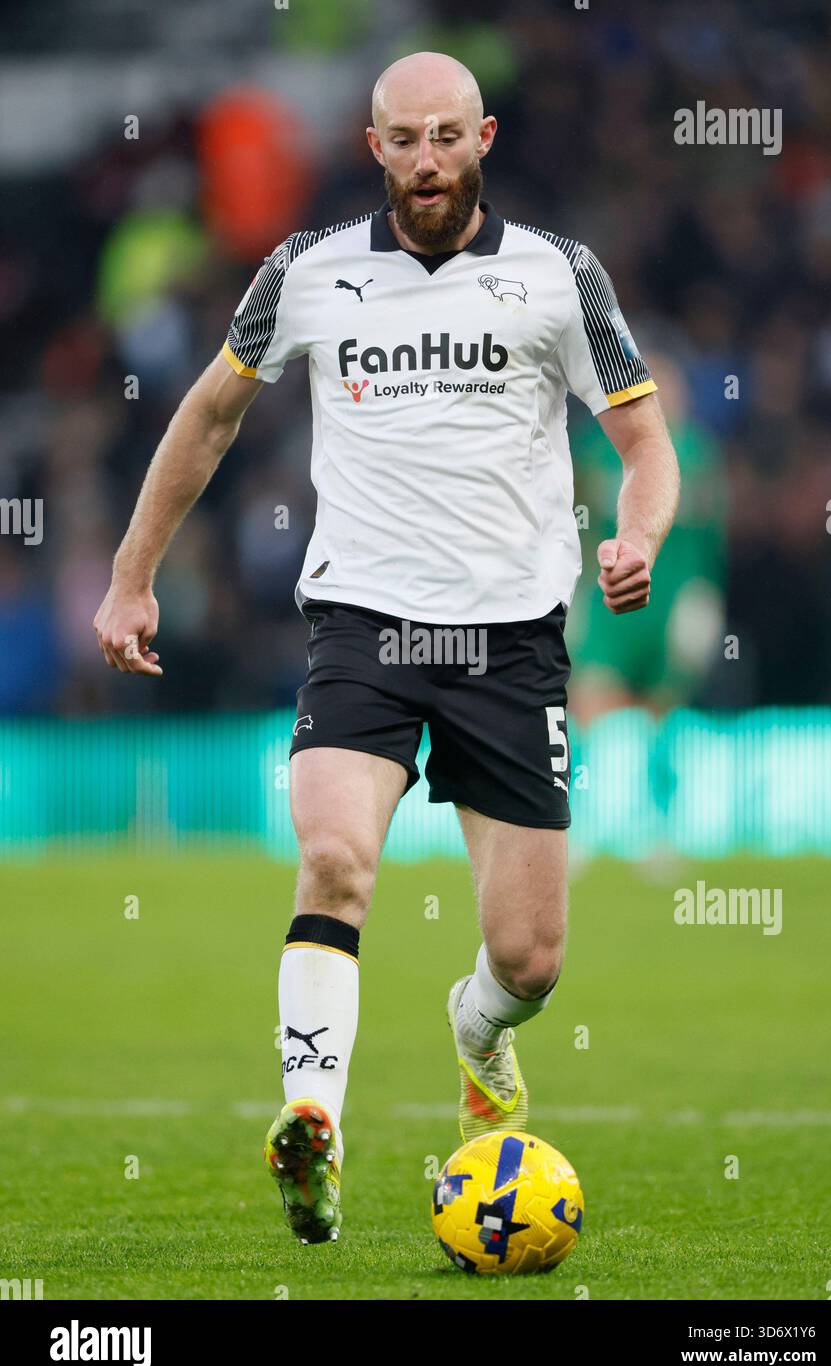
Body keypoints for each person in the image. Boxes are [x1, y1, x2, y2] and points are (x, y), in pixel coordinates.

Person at [93, 51, 680, 1246]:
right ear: (373, 148)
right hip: (361, 625)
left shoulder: (557, 274)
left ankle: (477, 1030)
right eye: (403, 139)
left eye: (446, 136)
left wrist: (639, 533)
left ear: (484, 138)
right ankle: (313, 1120)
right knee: (332, 858)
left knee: (530, 960)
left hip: (512, 640)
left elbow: (644, 440)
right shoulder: (306, 271)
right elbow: (207, 416)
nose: (426, 159)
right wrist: (130, 575)